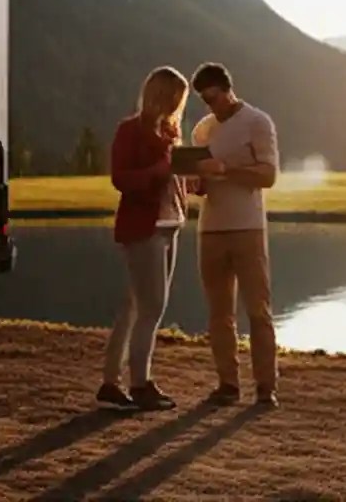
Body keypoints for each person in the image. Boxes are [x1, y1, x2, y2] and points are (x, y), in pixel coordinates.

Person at [97, 65, 191, 412]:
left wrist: (192, 178)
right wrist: (160, 172)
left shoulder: (170, 132)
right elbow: (121, 178)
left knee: (136, 306)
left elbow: (173, 178)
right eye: (176, 97)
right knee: (152, 307)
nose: (178, 105)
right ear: (161, 95)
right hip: (144, 228)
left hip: (169, 225)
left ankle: (111, 382)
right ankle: (140, 383)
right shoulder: (130, 131)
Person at [188, 62, 281, 408]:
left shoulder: (258, 122)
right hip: (210, 227)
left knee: (258, 309)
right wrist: (196, 181)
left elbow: (268, 175)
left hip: (247, 227)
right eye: (206, 101)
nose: (212, 107)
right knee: (219, 312)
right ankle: (227, 383)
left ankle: (265, 387)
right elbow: (201, 178)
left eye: (215, 98)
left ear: (228, 89)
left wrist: (226, 169)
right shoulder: (203, 129)